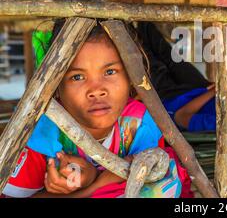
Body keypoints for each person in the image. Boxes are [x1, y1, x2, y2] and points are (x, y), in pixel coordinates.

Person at [1, 20, 186, 198]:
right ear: (56, 86)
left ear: (131, 76)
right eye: (78, 77)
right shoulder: (41, 130)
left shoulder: (139, 123)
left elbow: (149, 177)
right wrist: (97, 185)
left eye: (110, 72)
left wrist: (91, 182)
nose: (97, 90)